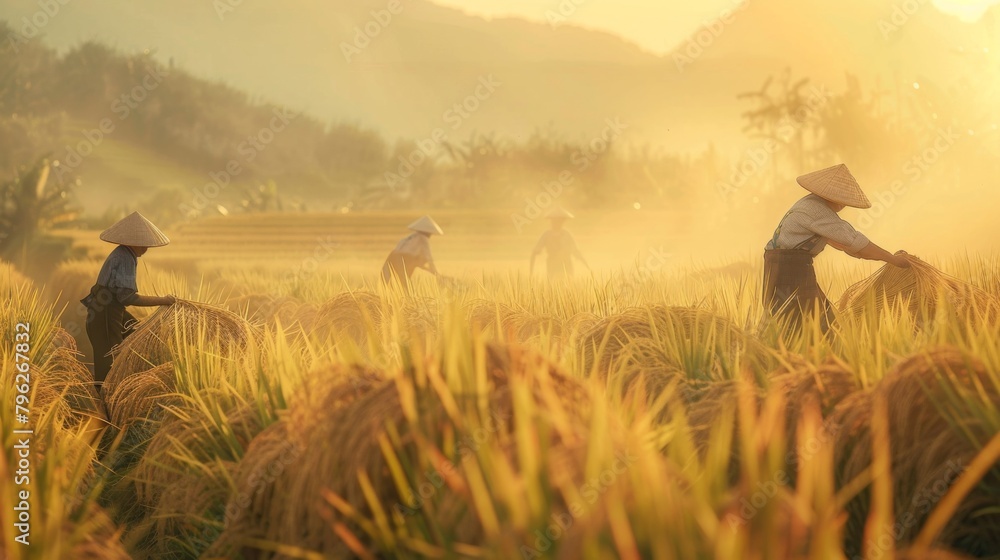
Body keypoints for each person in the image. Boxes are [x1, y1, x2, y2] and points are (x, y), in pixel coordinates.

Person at [763, 163, 910, 331]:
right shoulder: (817, 211)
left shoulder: (809, 203)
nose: (843, 205)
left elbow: (845, 245)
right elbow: (856, 243)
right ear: (831, 196)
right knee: (810, 324)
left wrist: (876, 255)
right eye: (842, 200)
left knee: (791, 319)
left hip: (781, 266)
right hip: (789, 270)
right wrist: (893, 259)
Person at [82, 212, 176, 389]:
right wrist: (163, 300)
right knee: (110, 363)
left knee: (134, 333)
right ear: (132, 242)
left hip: (106, 310)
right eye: (143, 244)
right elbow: (127, 297)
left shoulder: (123, 254)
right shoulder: (125, 258)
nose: (146, 248)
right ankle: (105, 404)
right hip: (106, 314)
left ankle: (131, 386)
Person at [381, 215, 444, 288]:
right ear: (428, 232)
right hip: (404, 260)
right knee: (404, 285)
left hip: (392, 257)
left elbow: (417, 261)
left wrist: (431, 271)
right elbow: (428, 258)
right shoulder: (423, 239)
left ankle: (388, 295)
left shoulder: (410, 237)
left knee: (389, 282)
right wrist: (436, 272)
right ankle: (405, 297)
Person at [530, 208, 589, 281]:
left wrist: (587, 267)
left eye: (560, 221)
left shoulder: (566, 234)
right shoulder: (547, 235)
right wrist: (531, 272)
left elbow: (576, 251)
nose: (558, 223)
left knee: (568, 285)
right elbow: (535, 252)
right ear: (551, 221)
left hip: (566, 263)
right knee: (553, 285)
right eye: (555, 221)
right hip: (553, 264)